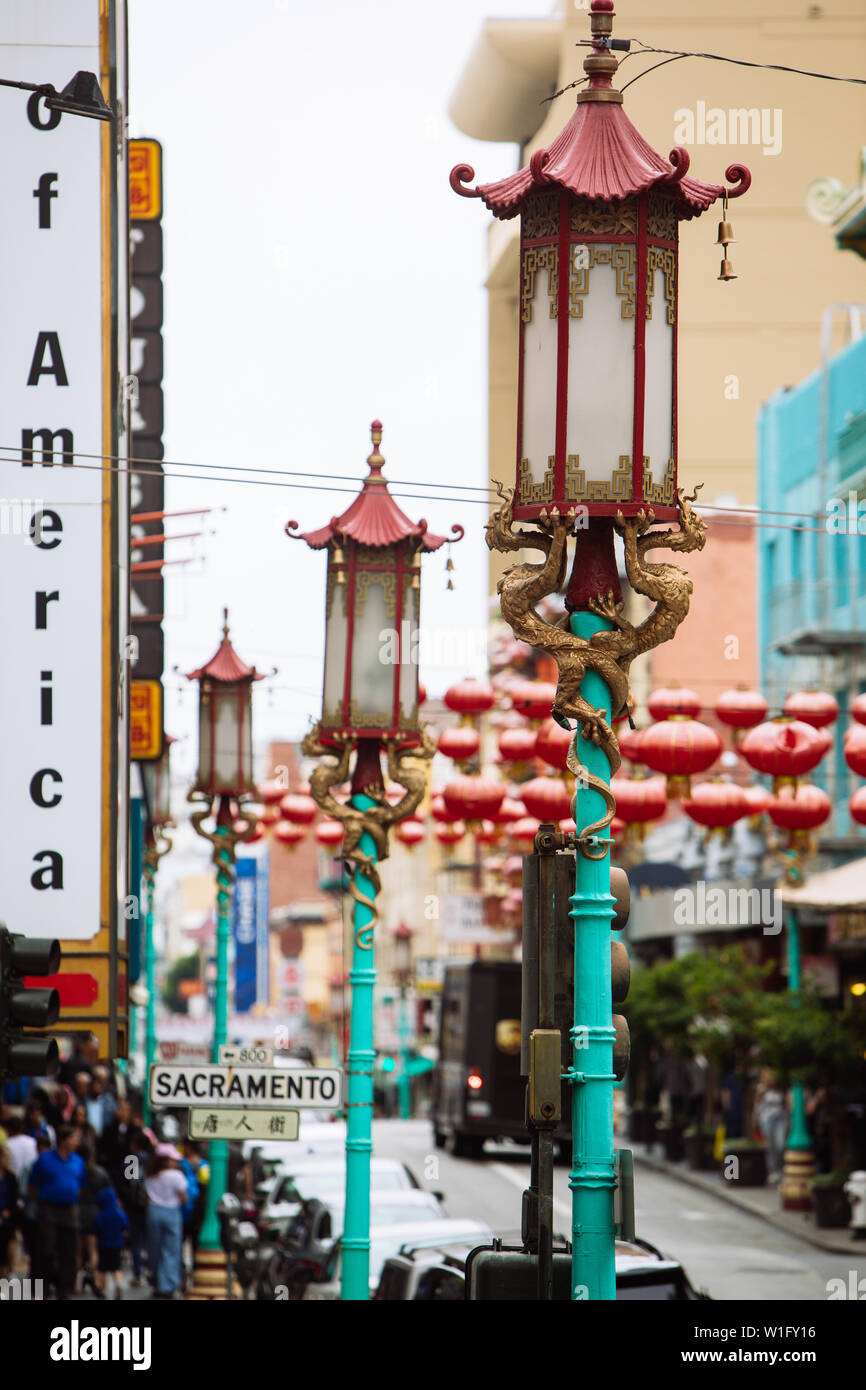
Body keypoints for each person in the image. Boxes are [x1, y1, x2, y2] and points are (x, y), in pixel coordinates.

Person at [28, 1124, 85, 1300]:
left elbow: (81, 1184)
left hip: (69, 1208)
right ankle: (42, 1288)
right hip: (48, 1208)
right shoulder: (44, 1160)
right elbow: (32, 1186)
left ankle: (64, 1288)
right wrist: (43, 1201)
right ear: (63, 1140)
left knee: (68, 1250)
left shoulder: (78, 1161)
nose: (77, 1142)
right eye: (74, 1138)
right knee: (46, 1248)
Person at [145, 1144, 187, 1299]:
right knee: (171, 1250)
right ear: (165, 1160)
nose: (176, 1163)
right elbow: (184, 1197)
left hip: (153, 1211)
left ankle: (155, 1281)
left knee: (154, 1248)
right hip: (171, 1212)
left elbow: (146, 1195)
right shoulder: (176, 1176)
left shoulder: (150, 1174)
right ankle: (167, 1285)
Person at [77, 1142, 111, 1294]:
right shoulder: (100, 1173)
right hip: (95, 1213)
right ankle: (97, 1281)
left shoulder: (75, 1172)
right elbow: (108, 1194)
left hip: (76, 1213)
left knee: (77, 1251)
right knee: (93, 1251)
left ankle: (74, 1284)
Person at [93, 1185, 128, 1300]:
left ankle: (100, 1287)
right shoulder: (119, 1213)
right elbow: (125, 1225)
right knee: (116, 1268)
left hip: (103, 1246)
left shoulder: (100, 1216)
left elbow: (95, 1228)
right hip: (117, 1245)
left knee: (101, 1269)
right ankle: (118, 1285)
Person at [754, 1067, 788, 1182]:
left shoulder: (780, 1089)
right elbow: (757, 1105)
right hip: (767, 1119)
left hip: (780, 1118)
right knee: (770, 1145)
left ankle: (780, 1168)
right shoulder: (761, 1088)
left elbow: (785, 1104)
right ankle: (773, 1170)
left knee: (780, 1144)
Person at [0, 1145, 19, 1277]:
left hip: (7, 1216)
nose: (8, 1160)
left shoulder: (10, 1177)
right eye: (6, 1157)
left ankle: (8, 1272)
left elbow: (14, 1197)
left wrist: (8, 1211)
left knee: (8, 1245)